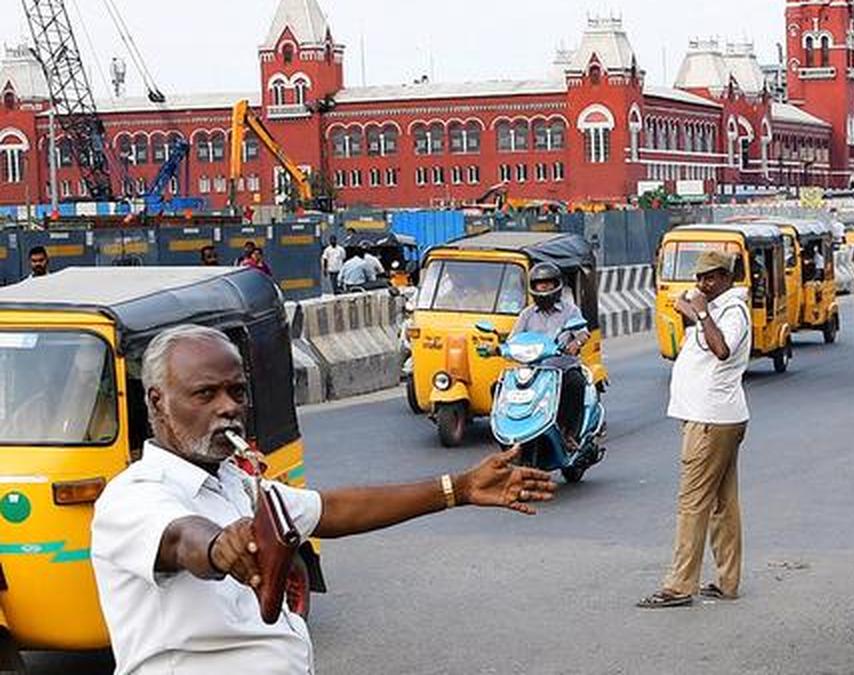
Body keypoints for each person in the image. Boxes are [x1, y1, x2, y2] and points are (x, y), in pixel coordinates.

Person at [90, 325, 554, 675]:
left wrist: (459, 488)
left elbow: (332, 510)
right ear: (157, 402)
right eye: (205, 394)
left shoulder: (234, 482)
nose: (228, 407)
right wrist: (219, 548)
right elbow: (182, 540)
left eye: (236, 392)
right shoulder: (133, 497)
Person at [638, 249, 751, 609]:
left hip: (711, 420)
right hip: (712, 417)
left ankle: (679, 586)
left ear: (727, 278)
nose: (703, 284)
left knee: (692, 503)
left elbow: (721, 350)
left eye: (712, 278)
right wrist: (696, 311)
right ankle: (726, 580)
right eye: (700, 278)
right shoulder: (717, 310)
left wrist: (700, 311)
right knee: (722, 504)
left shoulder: (732, 312)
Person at [494, 262, 589, 448]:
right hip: (534, 370)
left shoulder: (570, 310)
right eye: (540, 284)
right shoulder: (527, 315)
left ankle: (568, 432)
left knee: (576, 384)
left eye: (548, 283)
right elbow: (514, 340)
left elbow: (583, 332)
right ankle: (509, 431)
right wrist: (500, 349)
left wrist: (575, 344)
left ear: (557, 286)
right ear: (533, 287)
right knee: (498, 388)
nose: (544, 287)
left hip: (563, 368)